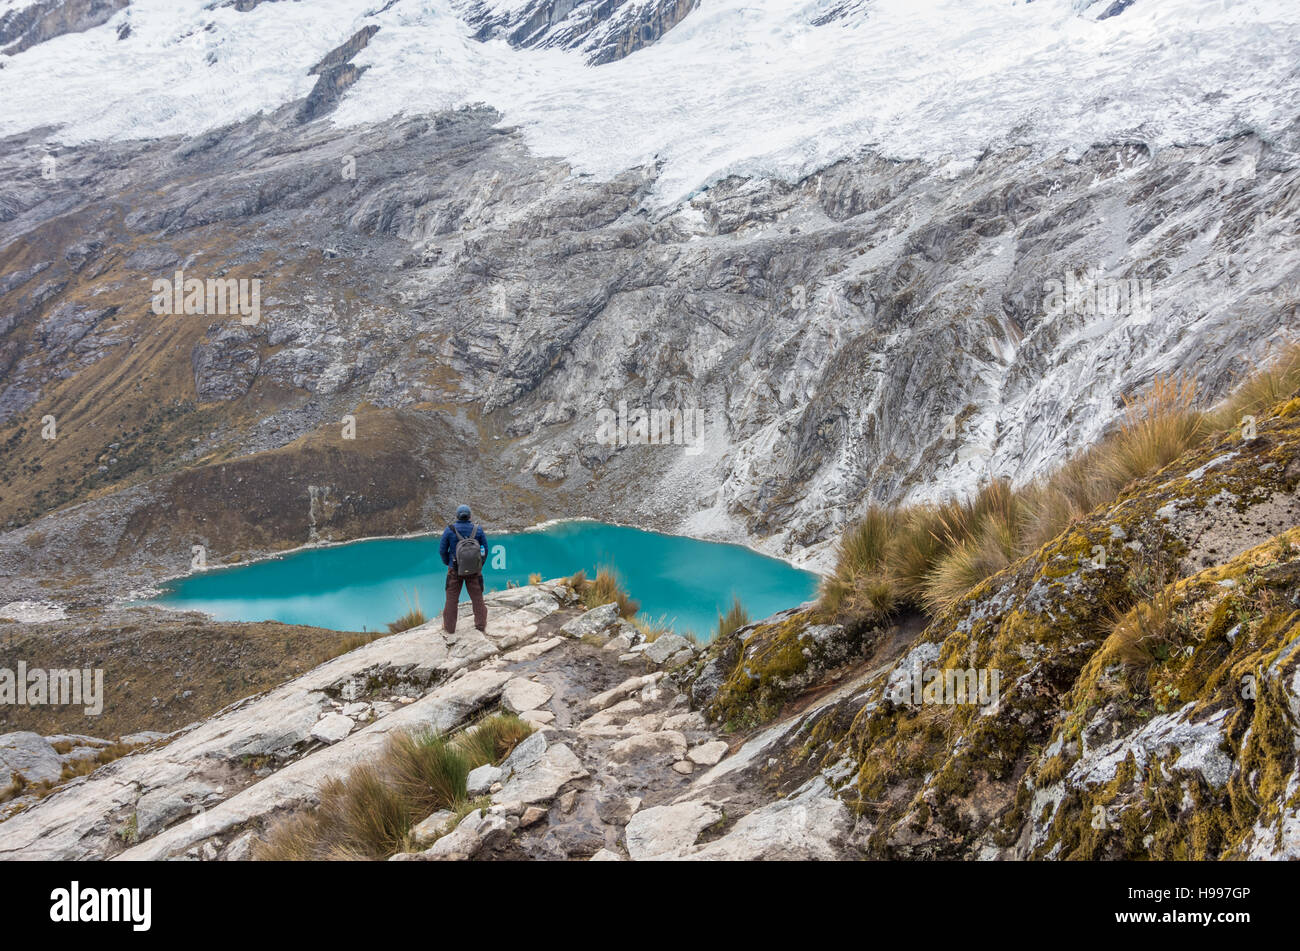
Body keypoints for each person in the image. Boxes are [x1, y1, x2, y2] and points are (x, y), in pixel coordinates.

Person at [440, 504, 488, 633]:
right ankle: (480, 625)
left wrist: (448, 563)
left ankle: (449, 628)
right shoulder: (478, 529)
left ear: (457, 516)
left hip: (454, 570)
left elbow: (442, 550)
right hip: (474, 571)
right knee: (477, 598)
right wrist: (479, 565)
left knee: (451, 599)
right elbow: (485, 550)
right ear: (470, 516)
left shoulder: (449, 530)